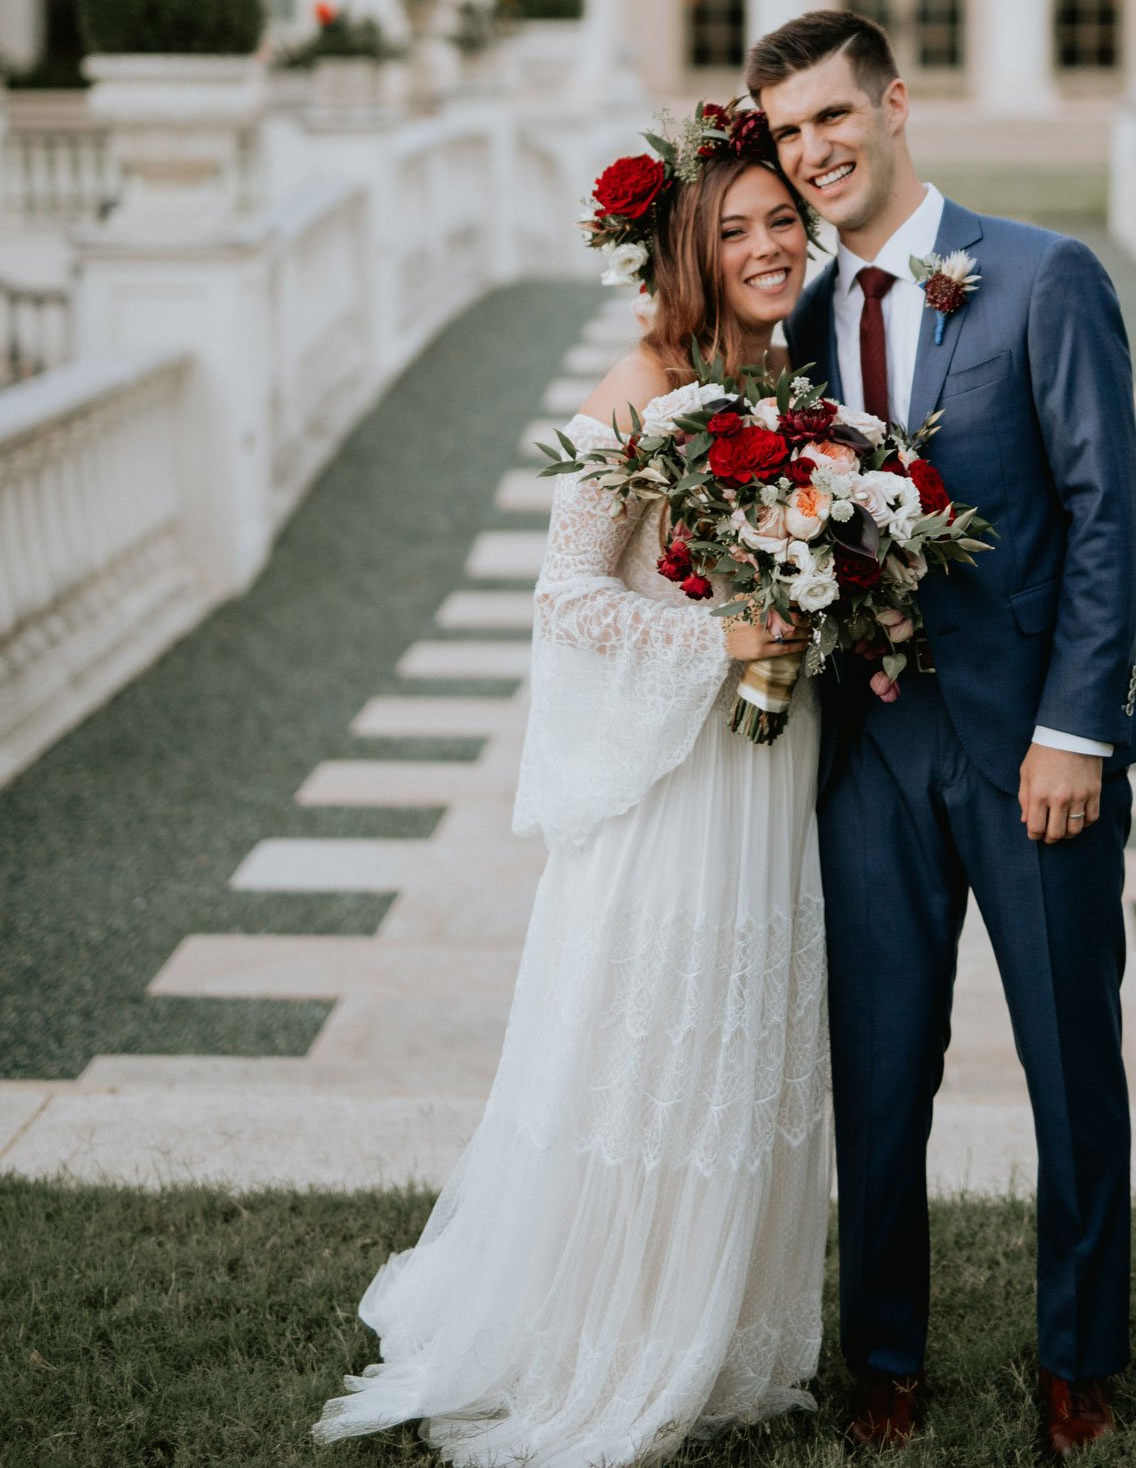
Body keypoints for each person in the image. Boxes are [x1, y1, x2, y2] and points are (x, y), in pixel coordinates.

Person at [314, 124, 830, 1468]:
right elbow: (566, 596)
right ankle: (607, 1334)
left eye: (783, 220)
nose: (770, 245)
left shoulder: (787, 375)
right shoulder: (640, 382)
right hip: (671, 775)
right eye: (738, 229)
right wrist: (719, 642)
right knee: (649, 1038)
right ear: (687, 250)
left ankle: (714, 1331)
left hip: (766, 774)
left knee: (740, 1036)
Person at [752, 10, 1136, 1463]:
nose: (814, 151)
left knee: (1070, 1063)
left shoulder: (1045, 276)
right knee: (875, 1074)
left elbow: (1107, 517)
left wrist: (1075, 732)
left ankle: (1080, 1355)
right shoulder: (786, 318)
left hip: (1032, 748)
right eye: (789, 132)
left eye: (831, 117)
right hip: (869, 754)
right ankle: (886, 1360)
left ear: (896, 102)